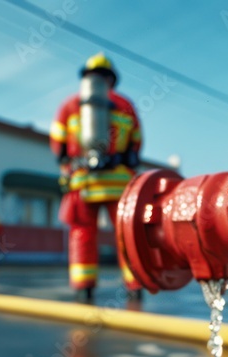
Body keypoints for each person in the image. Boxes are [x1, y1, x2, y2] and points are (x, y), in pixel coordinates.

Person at [50, 53, 143, 302]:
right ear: (112, 79)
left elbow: (57, 145)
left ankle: (84, 288)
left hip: (83, 181)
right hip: (119, 183)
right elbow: (136, 145)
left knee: (82, 232)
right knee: (126, 234)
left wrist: (66, 166)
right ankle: (134, 287)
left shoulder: (70, 104)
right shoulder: (125, 104)